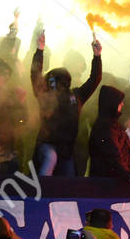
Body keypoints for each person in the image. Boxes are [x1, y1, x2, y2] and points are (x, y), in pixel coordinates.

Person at [30, 31, 101, 177]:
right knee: (50, 158)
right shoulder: (45, 96)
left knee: (68, 183)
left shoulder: (75, 96)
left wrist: (97, 56)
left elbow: (94, 79)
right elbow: (35, 74)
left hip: (66, 151)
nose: (51, 85)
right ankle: (42, 188)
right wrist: (39, 50)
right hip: (47, 146)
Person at [87, 85, 130, 191]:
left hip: (115, 180)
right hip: (108, 184)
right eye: (120, 102)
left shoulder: (113, 124)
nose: (122, 104)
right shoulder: (105, 127)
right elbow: (113, 155)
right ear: (112, 103)